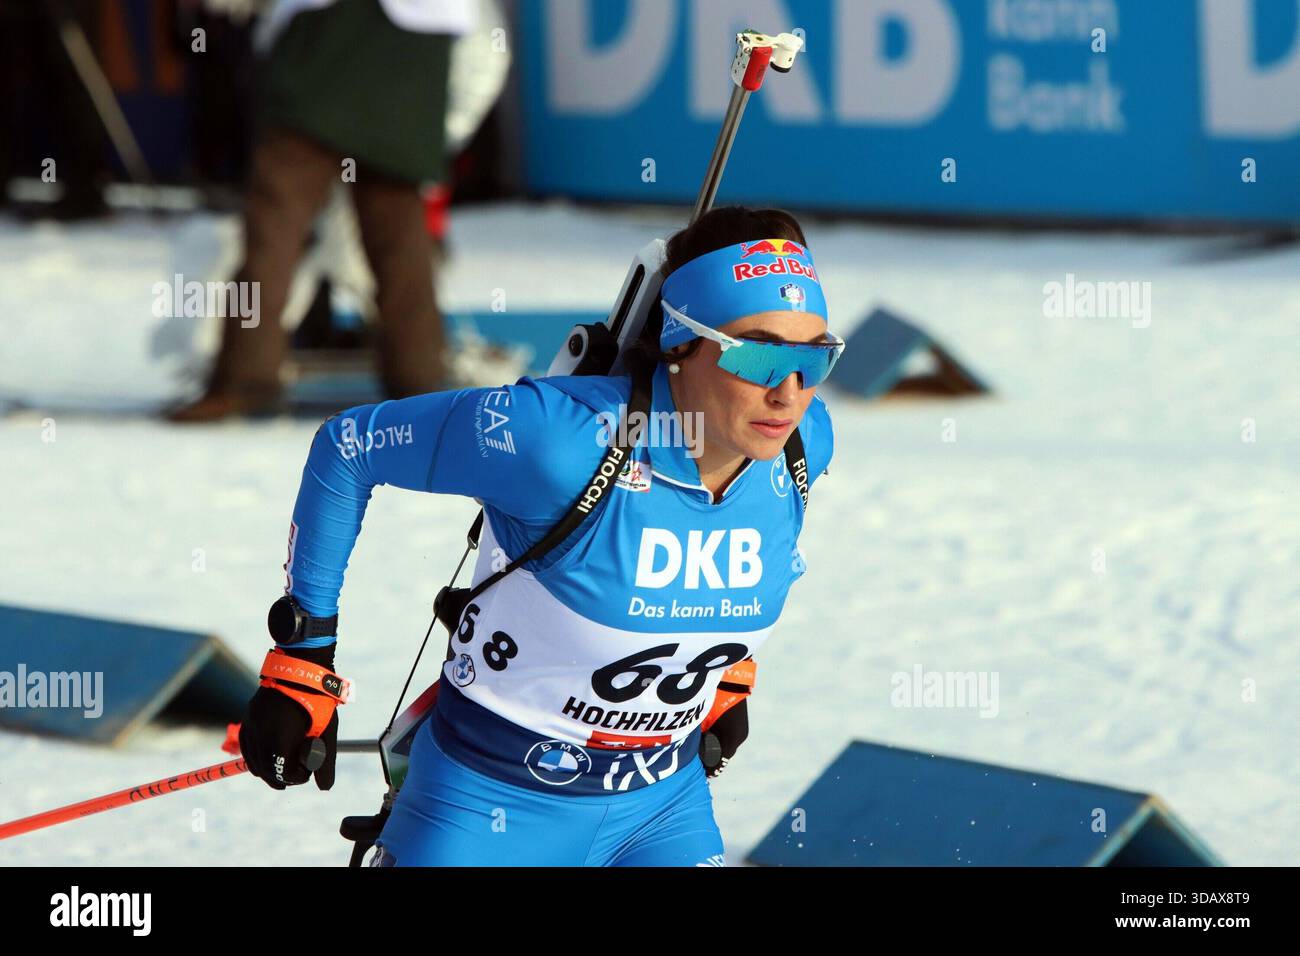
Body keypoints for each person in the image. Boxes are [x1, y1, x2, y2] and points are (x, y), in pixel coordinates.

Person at [237, 206, 843, 866]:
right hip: (485, 804)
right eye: (757, 355)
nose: (789, 393)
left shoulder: (799, 448)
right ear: (680, 342)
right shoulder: (557, 441)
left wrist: (727, 675)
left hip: (660, 811)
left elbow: (744, 569)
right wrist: (303, 663)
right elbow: (350, 447)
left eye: (813, 360)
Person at [167, 0, 475, 422]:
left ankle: (245, 380)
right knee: (401, 241)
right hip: (414, 52)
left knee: (273, 232)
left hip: (329, 38)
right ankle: (420, 391)